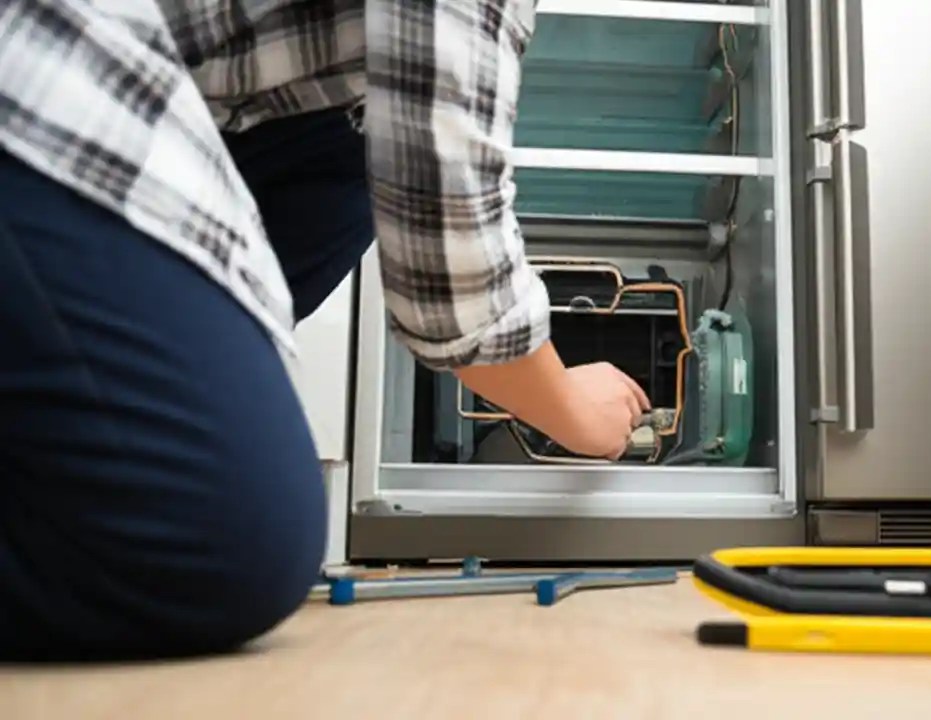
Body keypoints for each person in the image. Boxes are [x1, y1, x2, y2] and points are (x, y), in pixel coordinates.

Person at [0, 0, 650, 661]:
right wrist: (572, 412)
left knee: (357, 145)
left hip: (153, 94)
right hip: (38, 78)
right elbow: (451, 274)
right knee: (228, 545)